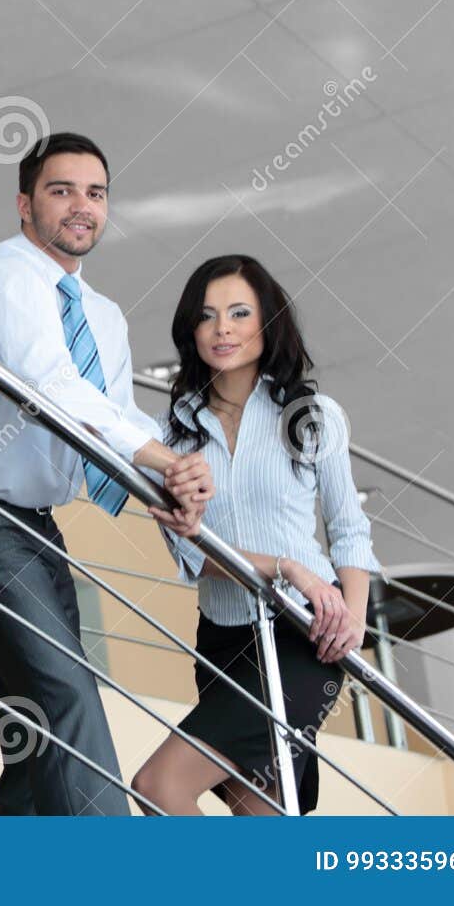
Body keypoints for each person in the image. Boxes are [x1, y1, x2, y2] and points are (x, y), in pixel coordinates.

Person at [0, 132, 213, 815]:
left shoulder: (104, 315)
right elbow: (51, 382)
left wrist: (177, 484)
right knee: (66, 692)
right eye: (61, 190)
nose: (81, 206)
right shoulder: (4, 270)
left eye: (95, 193)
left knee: (32, 716)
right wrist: (163, 459)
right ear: (24, 204)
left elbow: (116, 418)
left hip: (38, 524)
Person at [131, 255, 380, 815]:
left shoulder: (313, 415)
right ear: (190, 331)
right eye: (207, 315)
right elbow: (190, 553)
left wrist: (354, 624)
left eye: (239, 313)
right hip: (221, 643)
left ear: (267, 322)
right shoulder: (172, 436)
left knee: (158, 786)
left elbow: (349, 530)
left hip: (303, 638)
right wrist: (285, 567)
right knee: (262, 821)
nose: (223, 328)